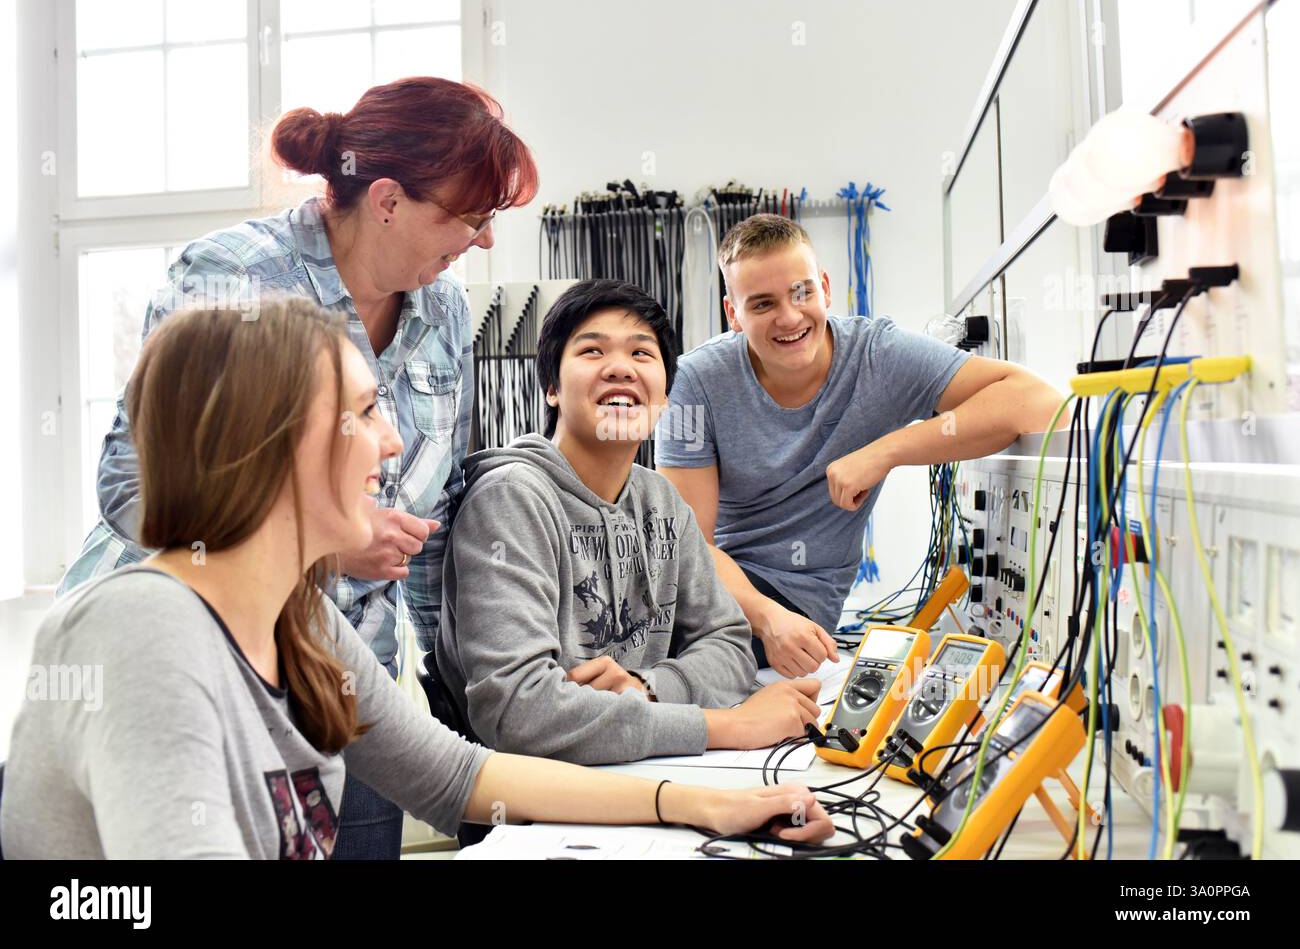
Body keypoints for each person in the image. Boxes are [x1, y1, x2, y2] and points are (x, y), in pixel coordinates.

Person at [0, 299, 833, 858]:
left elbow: (461, 775)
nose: (394, 443)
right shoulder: (147, 631)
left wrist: (699, 804)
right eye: (364, 412)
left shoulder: (302, 622)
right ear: (268, 441)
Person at [54, 77, 538, 860]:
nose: (484, 240)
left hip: (348, 679)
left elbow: (434, 522)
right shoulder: (234, 277)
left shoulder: (445, 310)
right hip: (200, 665)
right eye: (472, 216)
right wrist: (315, 540)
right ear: (386, 200)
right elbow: (129, 483)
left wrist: (464, 698)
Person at [655, 214, 1064, 678]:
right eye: (763, 303)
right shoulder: (695, 381)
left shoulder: (878, 357)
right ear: (734, 315)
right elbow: (687, 543)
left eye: (801, 292)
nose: (789, 317)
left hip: (798, 604)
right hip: (720, 589)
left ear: (825, 288)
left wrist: (886, 450)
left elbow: (1040, 401)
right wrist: (766, 620)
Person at [435, 280, 823, 764]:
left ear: (664, 394)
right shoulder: (512, 498)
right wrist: (727, 726)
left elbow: (728, 643)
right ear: (552, 388)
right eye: (592, 350)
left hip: (644, 771)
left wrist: (649, 688)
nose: (620, 368)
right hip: (538, 805)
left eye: (643, 354)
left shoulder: (661, 500)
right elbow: (517, 712)